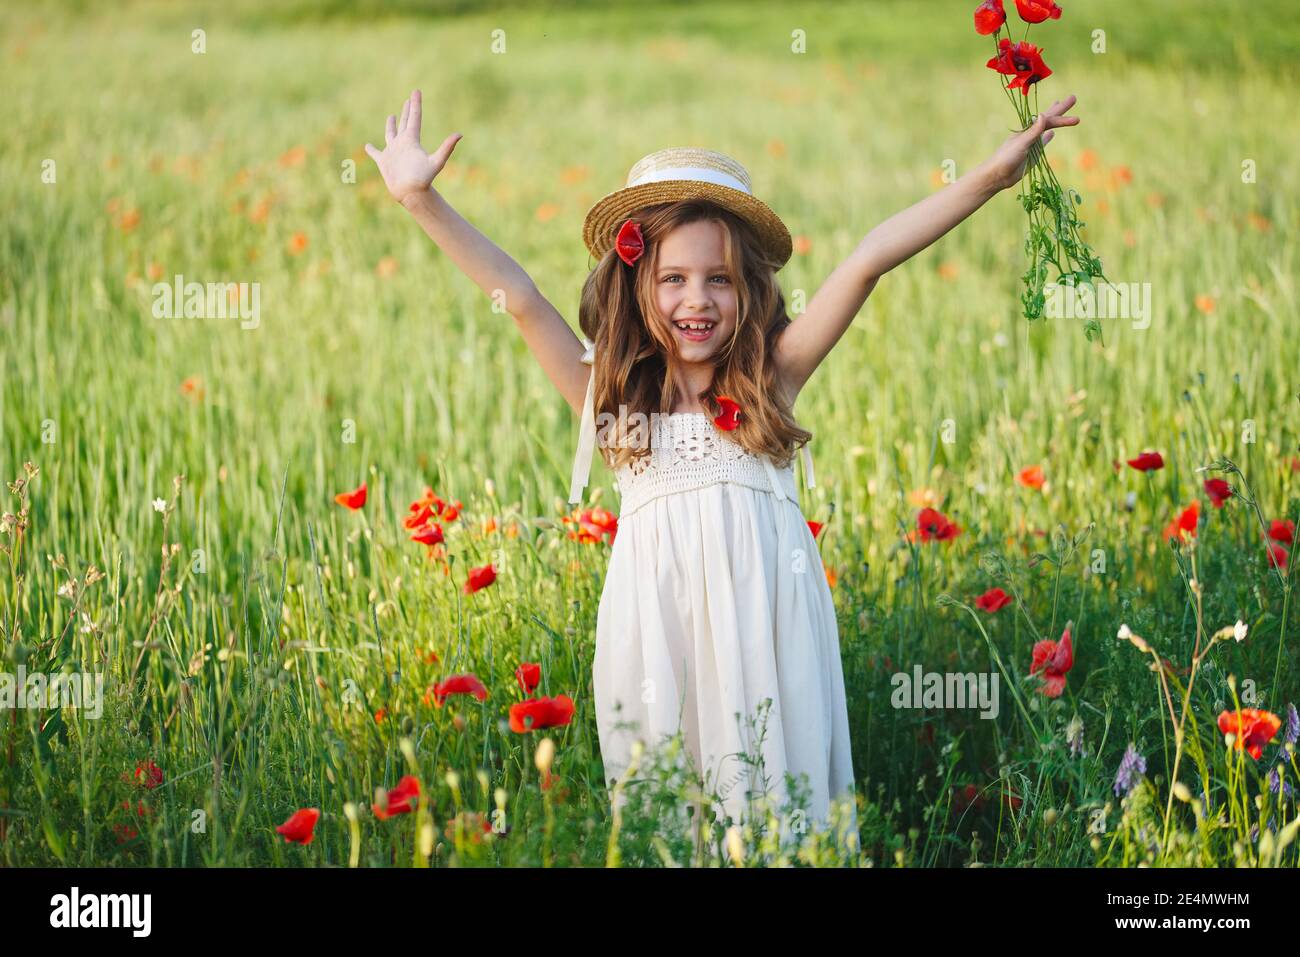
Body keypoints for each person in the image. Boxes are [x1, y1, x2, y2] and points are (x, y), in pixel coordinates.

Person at [365, 89, 1081, 857]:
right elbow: (521, 299)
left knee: (778, 812)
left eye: (719, 280)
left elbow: (870, 260)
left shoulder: (771, 380)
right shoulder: (615, 405)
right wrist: (420, 199)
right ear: (637, 287)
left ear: (750, 291)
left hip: (772, 640)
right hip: (655, 649)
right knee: (675, 818)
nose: (696, 300)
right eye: (672, 278)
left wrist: (994, 175)